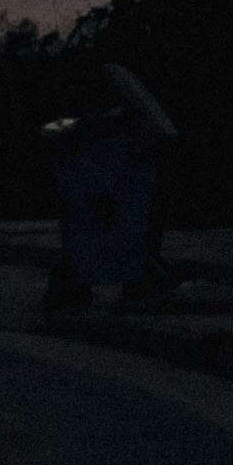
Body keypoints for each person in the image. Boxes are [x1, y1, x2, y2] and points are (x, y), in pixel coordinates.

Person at [41, 65, 177, 321]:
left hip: (126, 154)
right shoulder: (118, 78)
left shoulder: (110, 79)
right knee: (126, 224)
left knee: (109, 224)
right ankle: (133, 280)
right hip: (132, 154)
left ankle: (118, 280)